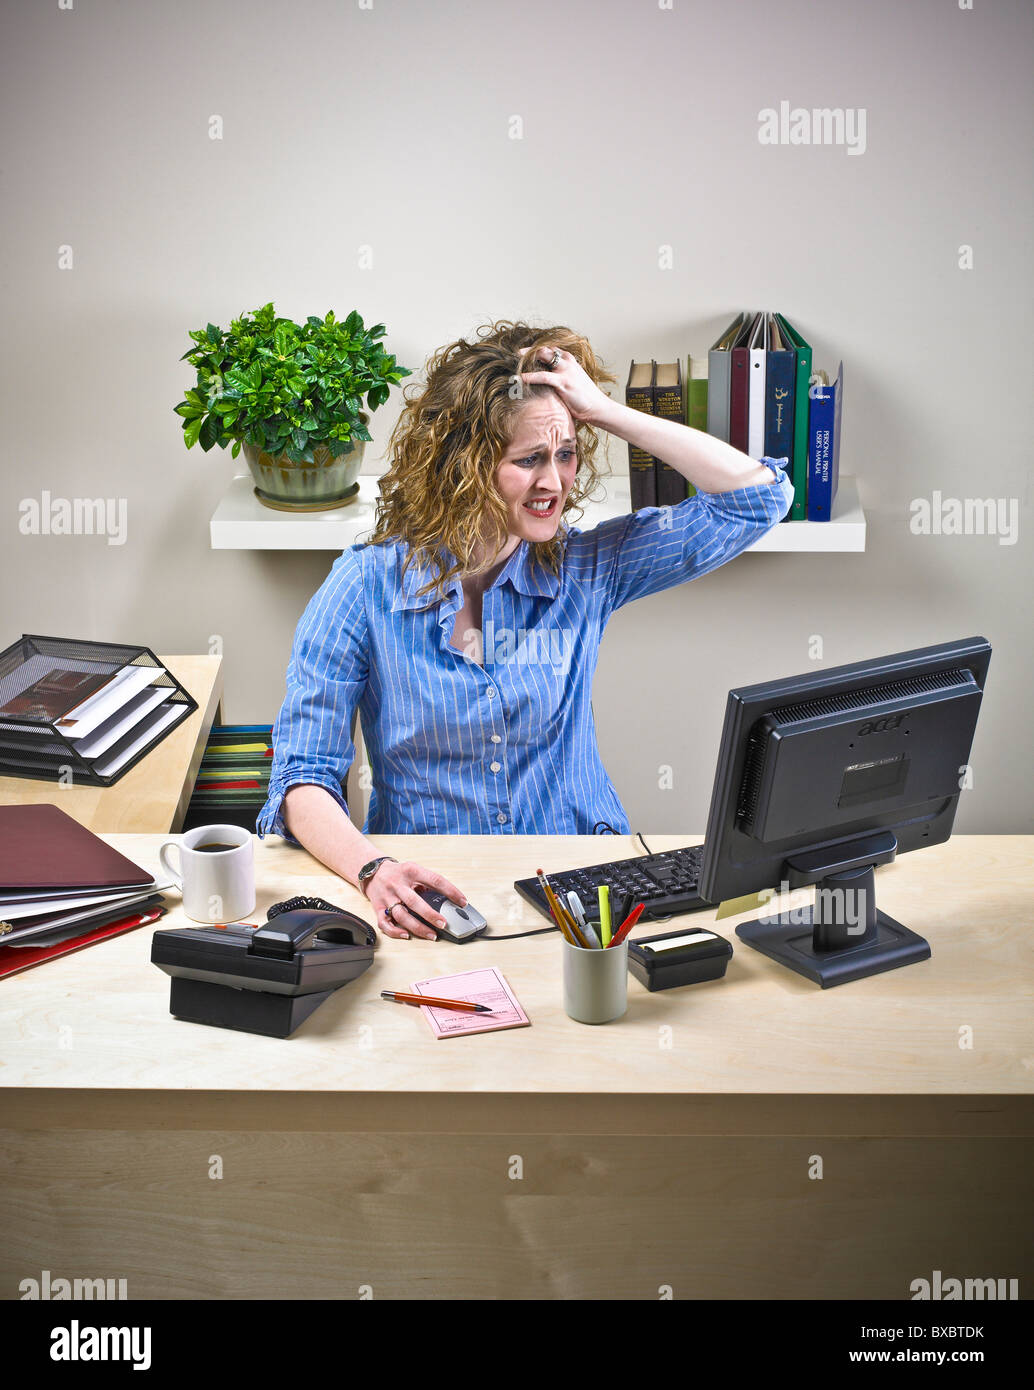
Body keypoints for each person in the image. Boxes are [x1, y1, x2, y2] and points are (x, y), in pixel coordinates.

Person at [256, 319, 793, 940]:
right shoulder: (363, 589)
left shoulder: (588, 568)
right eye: (529, 460)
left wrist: (605, 412)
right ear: (464, 465)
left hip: (586, 883)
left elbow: (757, 500)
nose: (555, 482)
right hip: (439, 892)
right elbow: (302, 780)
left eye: (565, 454)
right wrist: (373, 869)